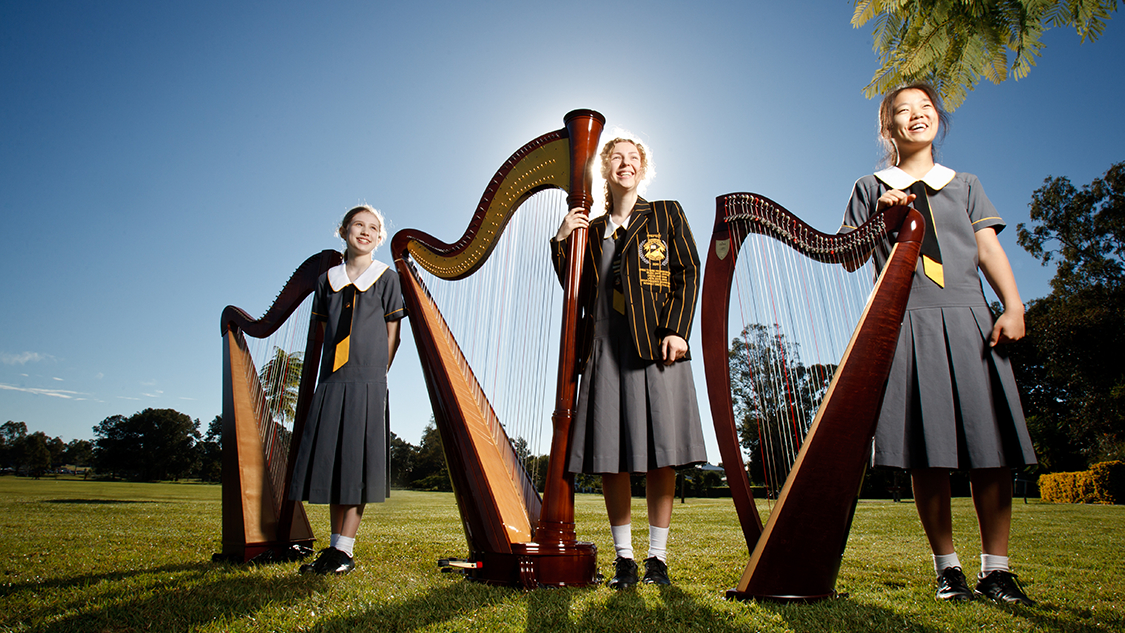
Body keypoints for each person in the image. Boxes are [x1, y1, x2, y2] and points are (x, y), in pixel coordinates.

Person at [840, 83, 1037, 605]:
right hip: (904, 324)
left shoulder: (965, 184)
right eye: (903, 111)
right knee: (928, 452)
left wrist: (1013, 307)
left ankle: (996, 570)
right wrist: (879, 217)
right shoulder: (870, 186)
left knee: (989, 450)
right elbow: (848, 259)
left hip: (970, 317)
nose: (916, 116)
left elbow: (987, 248)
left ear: (939, 120)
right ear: (889, 128)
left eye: (925, 108)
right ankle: (947, 568)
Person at [551, 137, 707, 589]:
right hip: (604, 343)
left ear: (643, 169)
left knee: (663, 454)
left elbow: (688, 271)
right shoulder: (590, 228)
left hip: (657, 345)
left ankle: (657, 558)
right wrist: (563, 241)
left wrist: (677, 329)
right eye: (616, 157)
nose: (625, 164)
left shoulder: (666, 214)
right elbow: (575, 288)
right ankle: (625, 558)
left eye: (633, 158)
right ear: (605, 168)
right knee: (610, 455)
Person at [288, 204, 405, 575]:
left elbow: (393, 334)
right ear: (343, 231)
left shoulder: (386, 278)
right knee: (335, 462)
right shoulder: (327, 280)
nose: (365, 231)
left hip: (368, 379)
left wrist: (376, 373)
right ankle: (335, 547)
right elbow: (321, 331)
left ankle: (345, 549)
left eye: (373, 227)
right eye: (358, 225)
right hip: (332, 378)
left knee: (356, 463)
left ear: (380, 237)